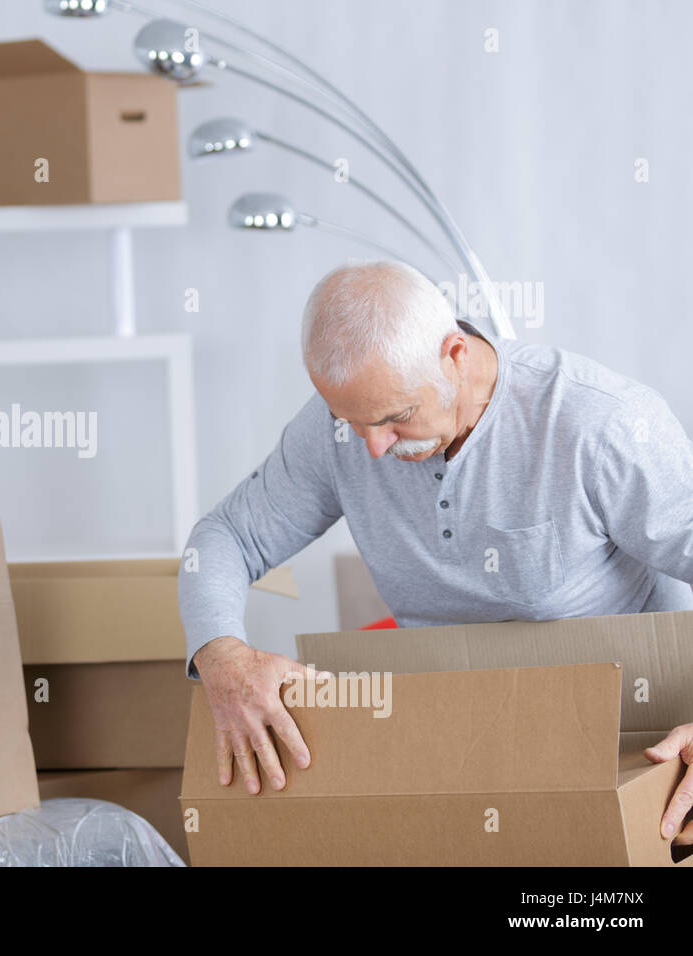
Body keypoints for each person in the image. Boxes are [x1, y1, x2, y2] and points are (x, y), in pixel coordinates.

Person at [178, 259, 693, 848]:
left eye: (396, 419)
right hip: (460, 748)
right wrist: (223, 655)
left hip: (634, 744)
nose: (371, 448)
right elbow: (224, 538)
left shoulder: (601, 423)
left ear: (455, 355)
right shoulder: (345, 434)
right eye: (349, 420)